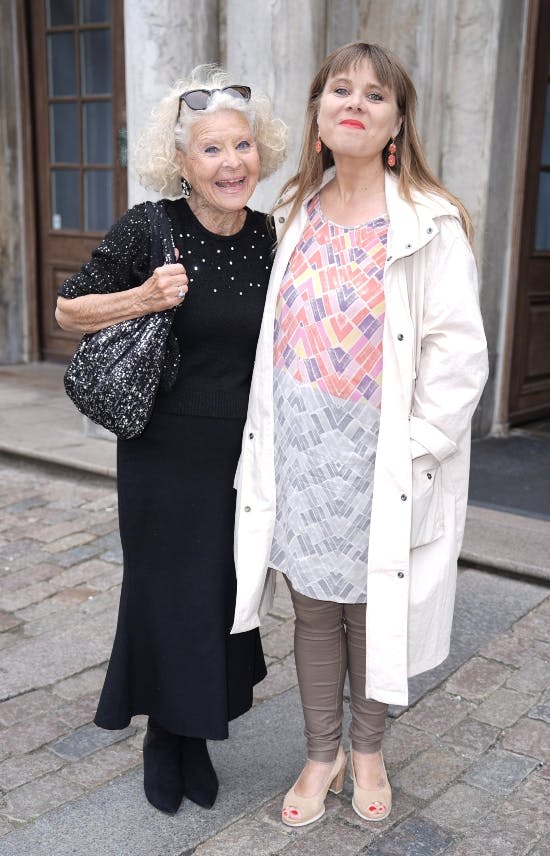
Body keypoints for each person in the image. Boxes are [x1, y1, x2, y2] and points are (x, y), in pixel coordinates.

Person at [231, 42, 488, 827]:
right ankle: (321, 752)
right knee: (314, 609)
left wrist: (415, 447)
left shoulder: (430, 225)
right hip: (303, 453)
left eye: (375, 95)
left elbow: (458, 355)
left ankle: (368, 749)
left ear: (396, 124)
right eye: (340, 89)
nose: (355, 102)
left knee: (378, 609)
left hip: (386, 456)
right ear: (316, 116)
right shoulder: (287, 218)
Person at [55, 66, 286, 815]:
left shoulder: (270, 237)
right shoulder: (150, 226)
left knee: (222, 589)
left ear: (261, 152)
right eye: (212, 149)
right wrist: (145, 296)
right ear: (182, 161)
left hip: (243, 448)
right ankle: (165, 735)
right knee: (164, 589)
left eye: (242, 146)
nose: (231, 163)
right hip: (162, 445)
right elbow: (68, 312)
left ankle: (196, 729)